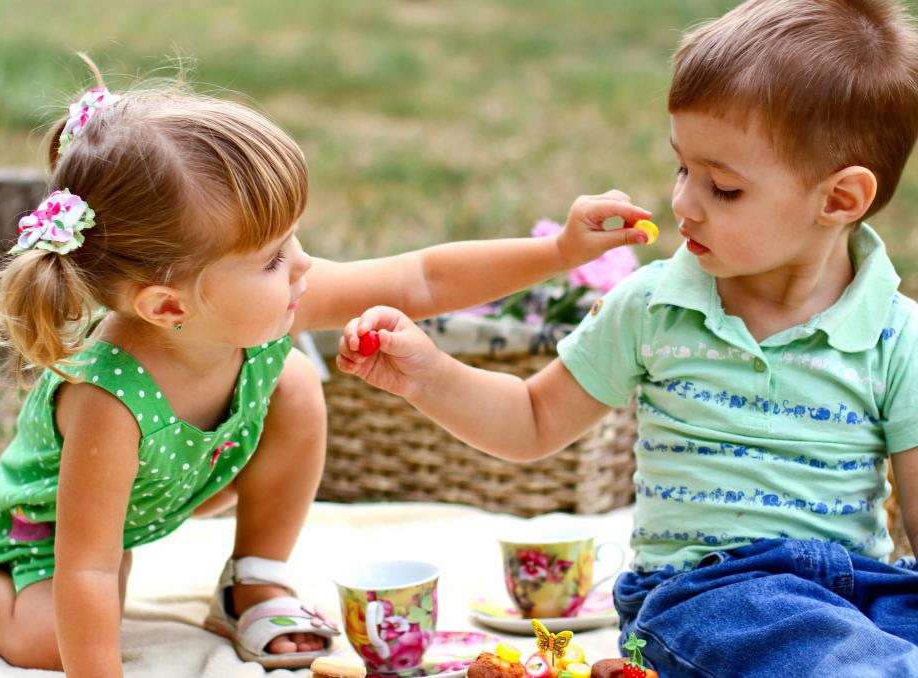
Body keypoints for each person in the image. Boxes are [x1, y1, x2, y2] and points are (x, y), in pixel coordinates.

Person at [0, 56, 651, 676]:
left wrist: (557, 254)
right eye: (273, 258)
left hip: (178, 484)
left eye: (294, 241)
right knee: (61, 636)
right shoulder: (109, 399)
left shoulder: (265, 305)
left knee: (295, 380)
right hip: (54, 533)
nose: (302, 267)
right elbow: (82, 566)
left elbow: (420, 279)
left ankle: (254, 583)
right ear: (169, 308)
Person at [336, 0, 918, 674]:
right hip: (706, 594)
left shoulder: (896, 334)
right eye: (683, 169)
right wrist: (428, 375)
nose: (683, 203)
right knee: (832, 655)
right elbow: (531, 420)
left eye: (723, 187)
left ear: (840, 200)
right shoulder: (654, 306)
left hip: (859, 592)